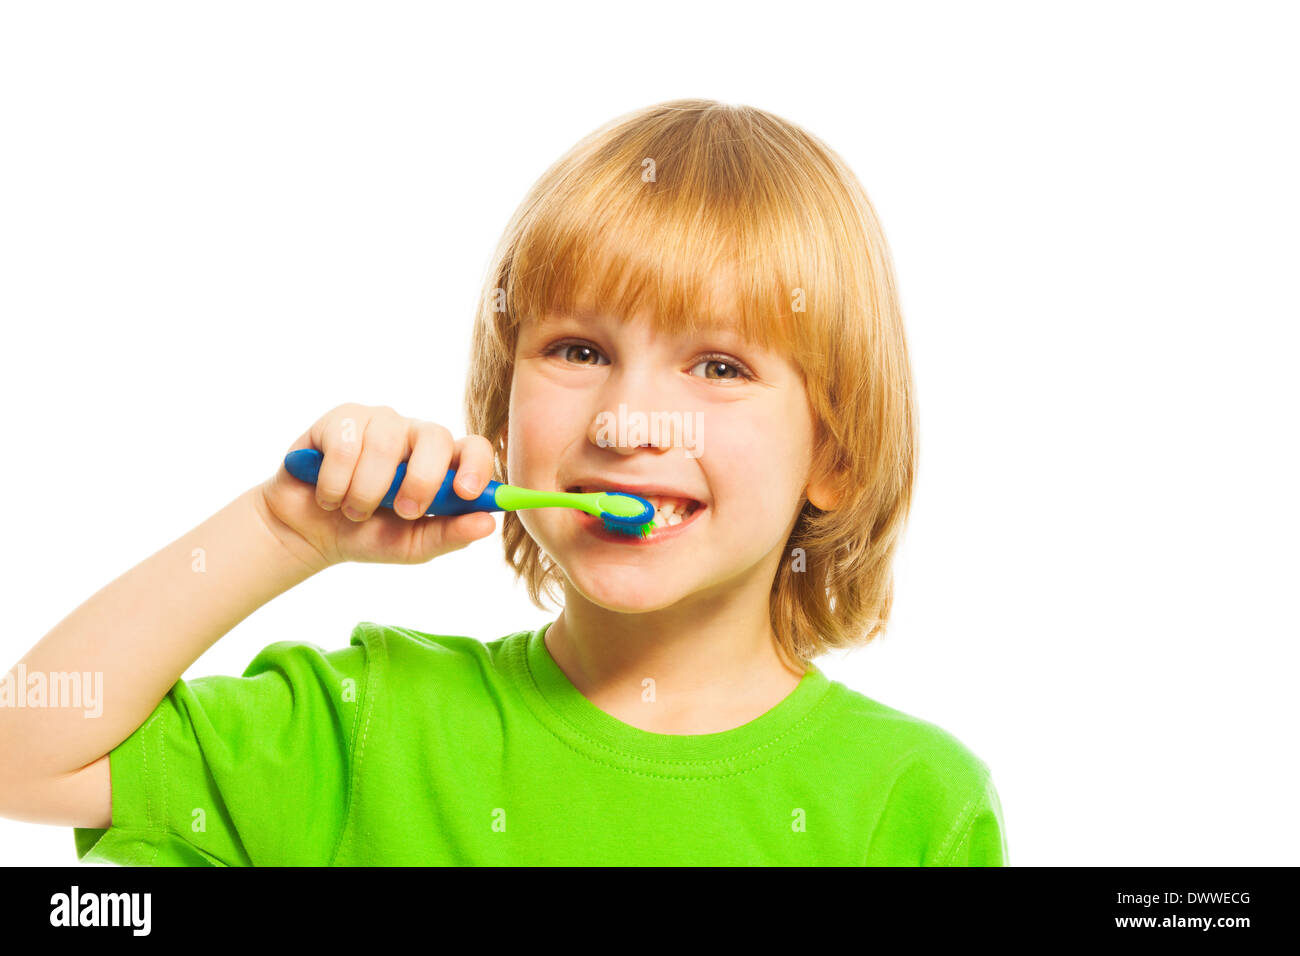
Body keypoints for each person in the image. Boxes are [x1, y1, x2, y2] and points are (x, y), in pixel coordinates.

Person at [1, 98, 1007, 865]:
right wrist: (282, 528)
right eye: (576, 349)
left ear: (834, 455)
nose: (623, 421)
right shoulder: (365, 721)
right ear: (502, 412)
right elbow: (23, 756)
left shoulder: (911, 799)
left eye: (719, 367)